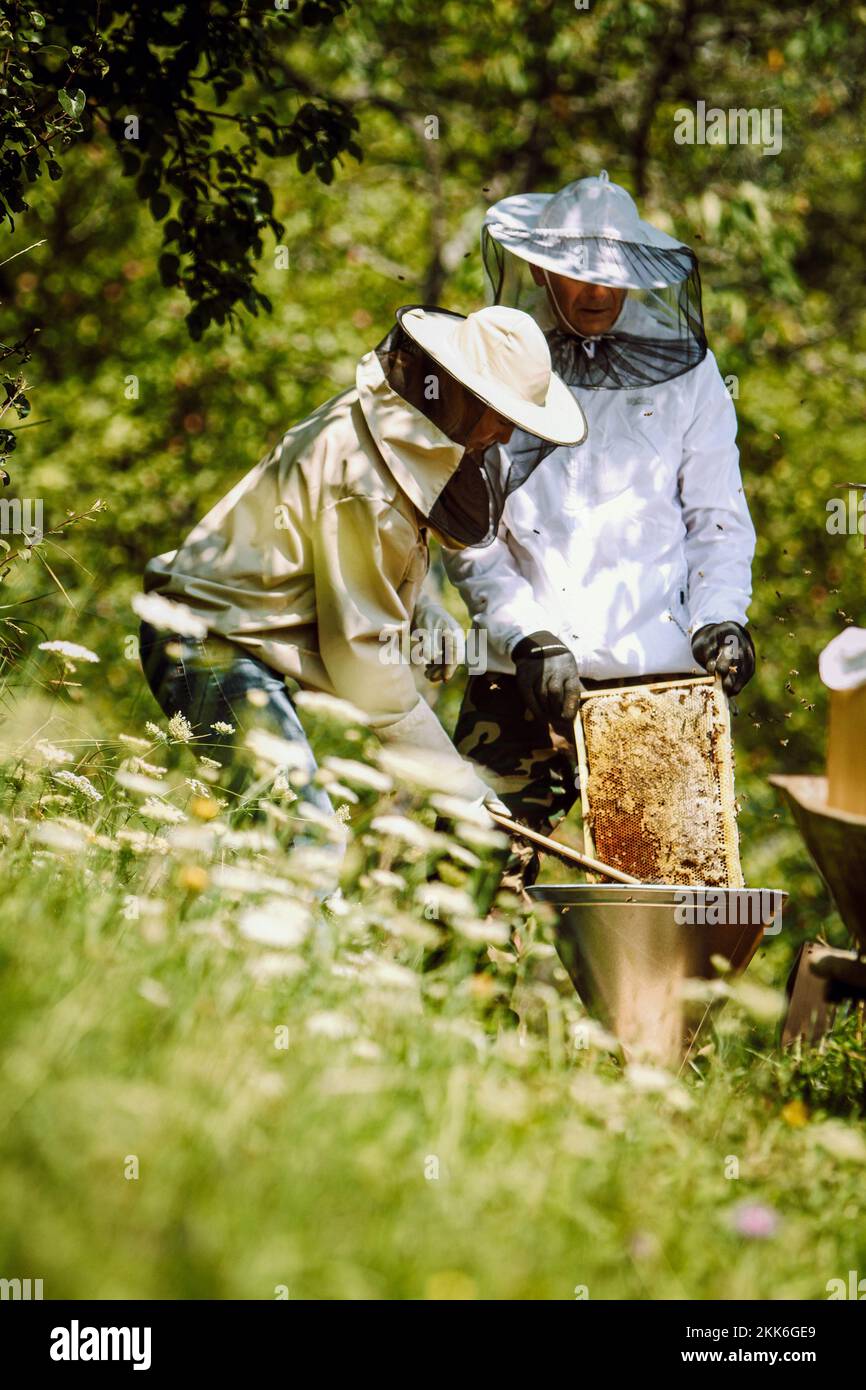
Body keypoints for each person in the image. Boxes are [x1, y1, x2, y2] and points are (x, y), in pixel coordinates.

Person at [138, 303, 587, 839]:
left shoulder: (393, 425)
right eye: (502, 416)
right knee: (303, 837)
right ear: (461, 393)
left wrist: (423, 609)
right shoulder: (366, 479)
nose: (508, 438)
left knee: (266, 834)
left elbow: (342, 557)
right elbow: (364, 663)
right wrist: (458, 788)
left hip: (239, 641)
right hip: (208, 644)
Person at [445, 172, 757, 870]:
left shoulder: (689, 372)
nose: (595, 293)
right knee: (467, 882)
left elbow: (716, 519)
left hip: (655, 677)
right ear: (537, 268)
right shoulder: (496, 364)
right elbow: (469, 532)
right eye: (577, 275)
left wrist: (721, 617)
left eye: (611, 276)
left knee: (671, 908)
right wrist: (527, 636)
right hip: (520, 677)